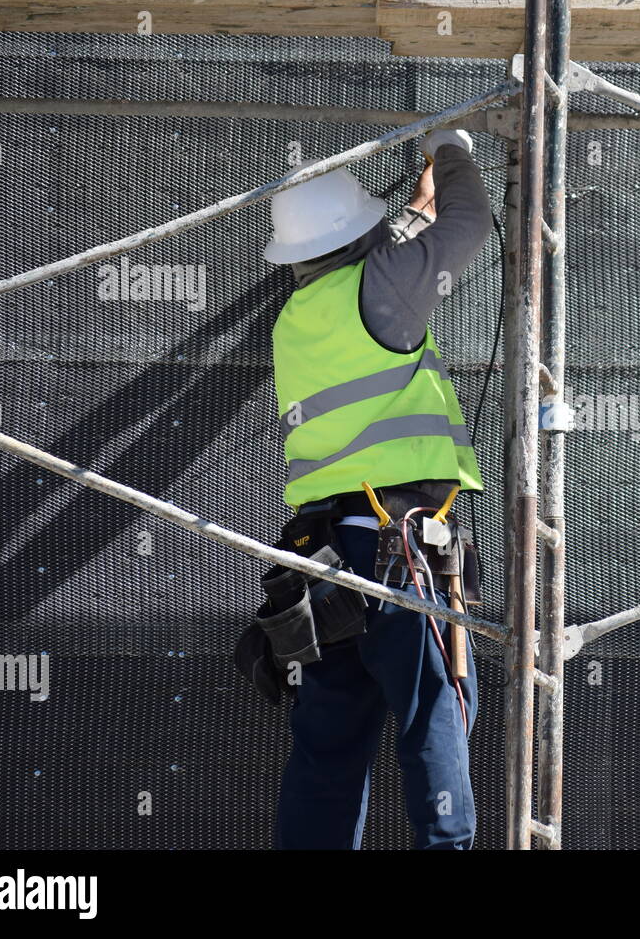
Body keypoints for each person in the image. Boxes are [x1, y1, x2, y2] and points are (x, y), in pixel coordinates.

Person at [261, 129, 494, 849]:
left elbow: (390, 259)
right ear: (360, 235)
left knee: (329, 745)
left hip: (321, 561)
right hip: (399, 542)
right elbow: (472, 223)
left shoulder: (297, 318)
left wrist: (412, 212)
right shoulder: (383, 285)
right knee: (436, 707)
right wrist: (452, 152)